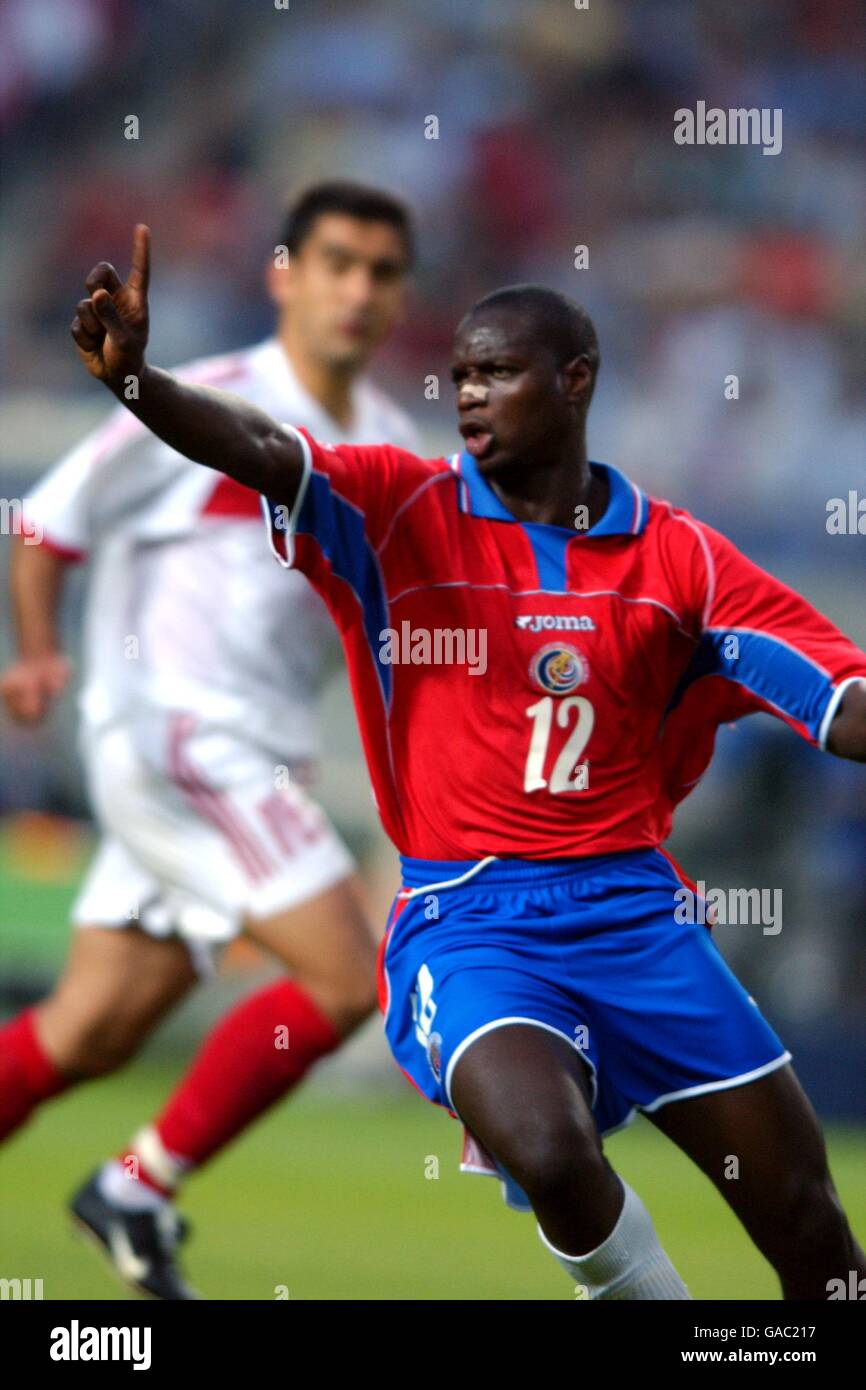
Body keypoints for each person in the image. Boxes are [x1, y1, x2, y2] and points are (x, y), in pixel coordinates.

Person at [64, 223, 866, 1301]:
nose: (468, 397)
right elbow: (263, 448)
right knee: (546, 1148)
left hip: (638, 919)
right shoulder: (400, 510)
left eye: (495, 372)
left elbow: (835, 697)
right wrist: (140, 387)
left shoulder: (675, 556)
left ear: (574, 379)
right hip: (471, 922)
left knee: (811, 1232)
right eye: (457, 377)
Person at [0, 185, 419, 1299]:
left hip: (252, 758)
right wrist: (39, 650)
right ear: (285, 273)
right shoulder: (207, 399)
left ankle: (131, 1183)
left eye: (382, 270)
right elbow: (43, 521)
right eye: (337, 261)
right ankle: (137, 1186)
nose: (358, 289)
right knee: (346, 971)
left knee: (83, 1033)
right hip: (181, 733)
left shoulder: (394, 442)